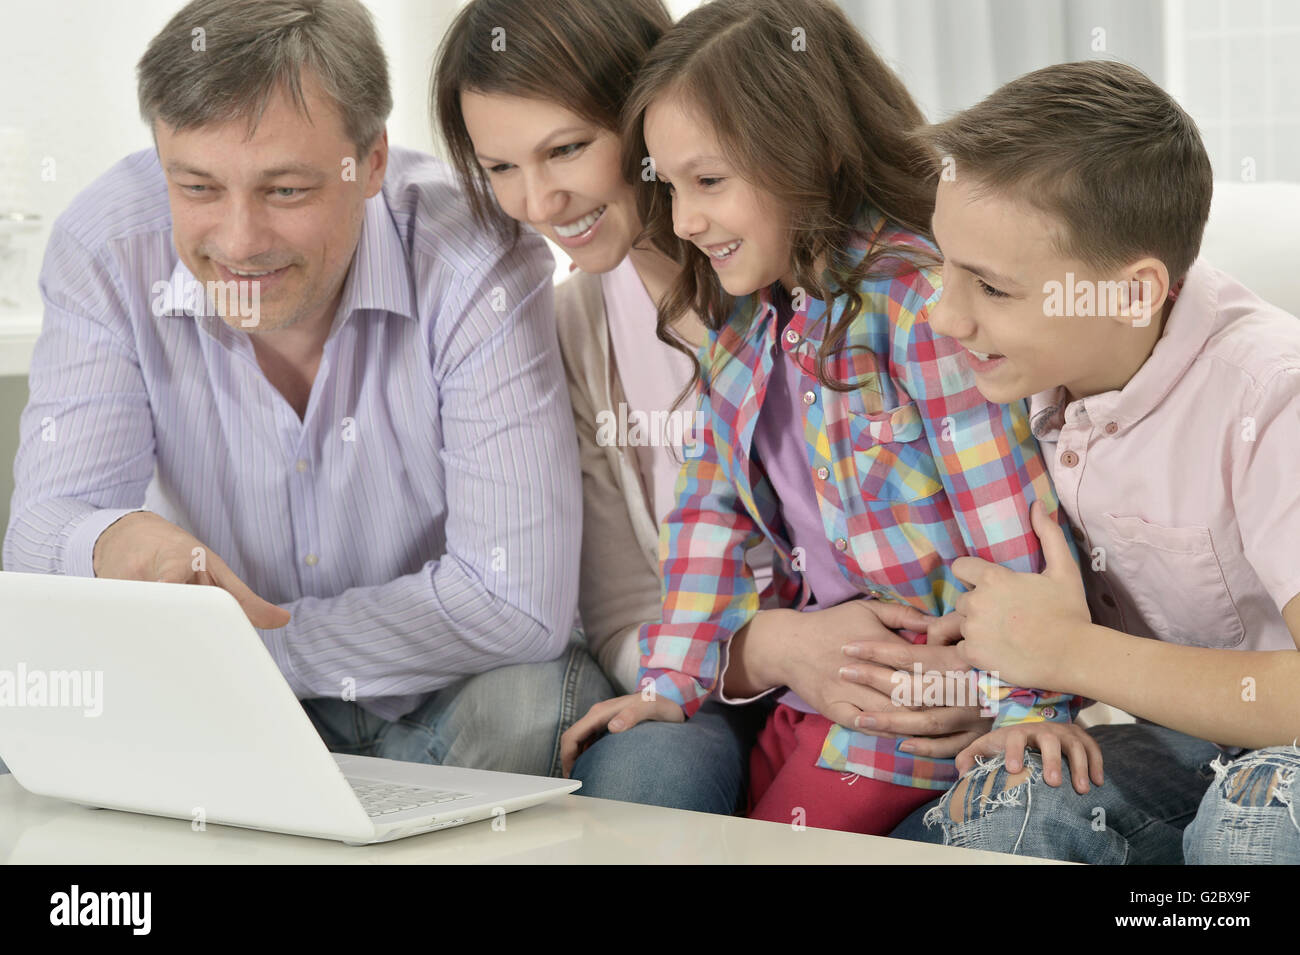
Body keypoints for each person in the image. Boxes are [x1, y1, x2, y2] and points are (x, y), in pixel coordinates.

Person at [2, 0, 609, 780]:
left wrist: (249, 645)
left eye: (285, 191)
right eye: (195, 187)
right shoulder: (106, 246)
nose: (239, 240)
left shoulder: (474, 255)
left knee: (535, 703)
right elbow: (43, 528)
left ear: (374, 161)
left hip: (444, 691)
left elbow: (516, 603)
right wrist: (109, 539)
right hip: (219, 693)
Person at [435, 0, 990, 815]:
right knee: (650, 781)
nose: (538, 203)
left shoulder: (861, 287)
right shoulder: (579, 323)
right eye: (500, 168)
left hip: (908, 663)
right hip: (717, 672)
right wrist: (768, 650)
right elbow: (630, 598)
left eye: (568, 150)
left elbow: (1012, 503)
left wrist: (1008, 680)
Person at [561, 0, 1090, 836]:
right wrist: (669, 688)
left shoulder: (920, 302)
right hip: (808, 702)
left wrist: (1026, 703)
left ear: (805, 153)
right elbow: (709, 515)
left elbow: (1007, 517)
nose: (685, 220)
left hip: (908, 710)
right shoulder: (742, 330)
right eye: (673, 186)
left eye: (710, 181)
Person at [878, 60, 1300, 863]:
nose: (942, 315)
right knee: (1004, 802)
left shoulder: (1272, 396)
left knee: (1254, 822)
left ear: (1133, 294)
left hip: (1284, 763)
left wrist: (1065, 651)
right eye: (943, 264)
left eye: (992, 289)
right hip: (1188, 748)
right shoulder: (1026, 376)